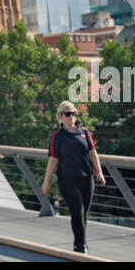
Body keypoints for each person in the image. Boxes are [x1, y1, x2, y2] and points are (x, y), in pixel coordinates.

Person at [41, 100, 105, 253]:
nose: (71, 117)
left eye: (74, 113)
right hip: (67, 179)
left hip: (86, 178)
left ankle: (80, 242)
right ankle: (81, 247)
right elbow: (53, 160)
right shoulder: (57, 137)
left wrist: (100, 172)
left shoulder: (84, 132)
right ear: (60, 116)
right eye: (68, 114)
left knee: (83, 214)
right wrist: (46, 182)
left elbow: (92, 152)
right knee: (77, 210)